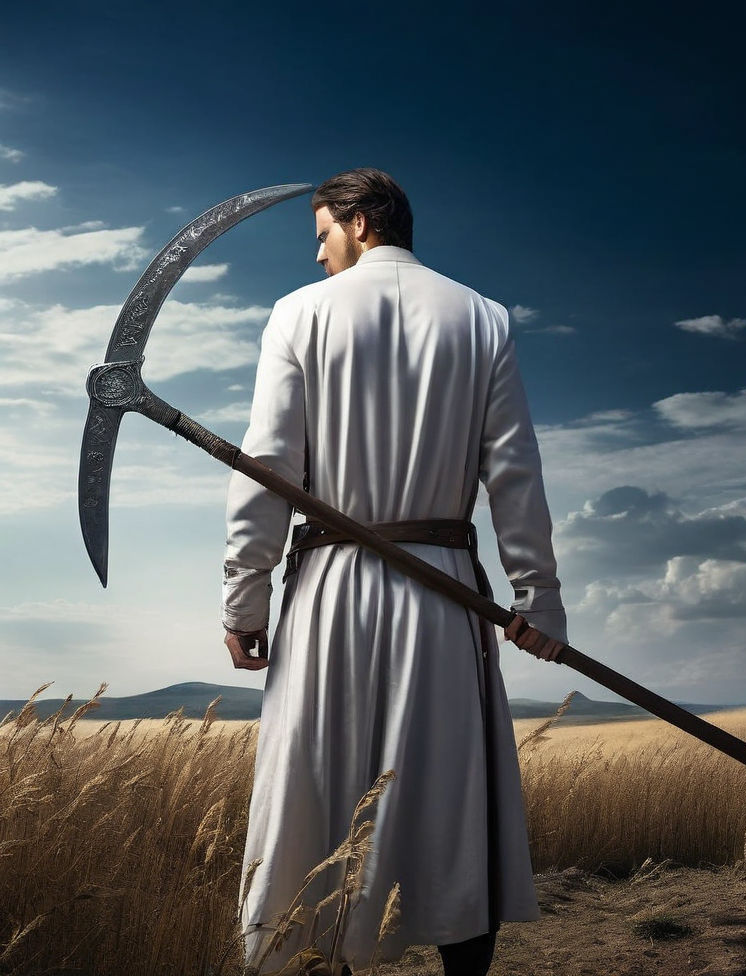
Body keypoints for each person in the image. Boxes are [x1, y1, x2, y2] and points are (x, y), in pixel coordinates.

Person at [220, 168, 567, 975]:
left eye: (321, 236)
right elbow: (514, 474)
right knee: (453, 801)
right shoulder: (483, 318)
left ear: (362, 221)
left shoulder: (298, 316)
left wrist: (245, 599)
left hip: (331, 594)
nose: (317, 258)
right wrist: (537, 599)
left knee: (317, 797)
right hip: (444, 596)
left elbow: (265, 468)